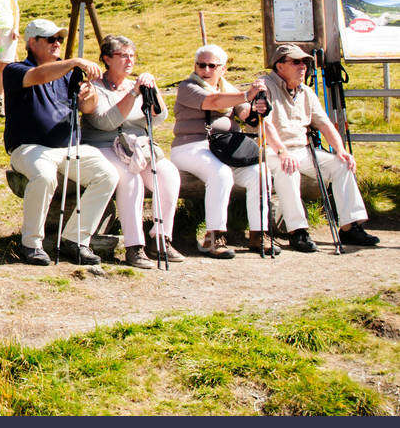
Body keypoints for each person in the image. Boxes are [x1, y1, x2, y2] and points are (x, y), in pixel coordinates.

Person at [3, 18, 118, 265]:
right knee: (44, 176)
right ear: (32, 42)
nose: (57, 44)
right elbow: (38, 76)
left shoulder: (69, 73)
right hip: (28, 148)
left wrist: (91, 94)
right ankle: (30, 244)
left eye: (60, 40)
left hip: (69, 148)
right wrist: (74, 61)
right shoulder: (15, 70)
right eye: (51, 39)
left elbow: (88, 108)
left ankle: (76, 240)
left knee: (108, 175)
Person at [256, 44, 378, 252]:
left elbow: (324, 124)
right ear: (280, 65)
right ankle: (297, 230)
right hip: (271, 148)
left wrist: (340, 150)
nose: (303, 66)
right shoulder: (264, 87)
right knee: (288, 168)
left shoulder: (306, 91)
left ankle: (350, 226)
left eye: (305, 62)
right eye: (296, 62)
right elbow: (264, 124)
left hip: (302, 149)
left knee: (342, 164)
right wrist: (282, 151)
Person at [83, 35, 183, 268]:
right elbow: (104, 122)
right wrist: (133, 94)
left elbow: (159, 119)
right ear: (107, 58)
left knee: (169, 175)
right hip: (104, 144)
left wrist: (152, 90)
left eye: (132, 55)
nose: (129, 60)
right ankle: (134, 247)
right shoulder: (94, 87)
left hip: (138, 147)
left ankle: (161, 238)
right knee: (130, 179)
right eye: (123, 55)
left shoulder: (135, 84)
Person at [170, 44, 266, 258]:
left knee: (259, 174)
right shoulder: (188, 86)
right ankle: (214, 236)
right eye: (200, 64)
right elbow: (212, 101)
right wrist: (245, 94)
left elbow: (248, 117)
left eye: (211, 65)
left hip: (223, 147)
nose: (205, 69)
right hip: (190, 147)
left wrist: (259, 106)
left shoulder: (229, 89)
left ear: (222, 69)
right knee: (220, 173)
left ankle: (259, 233)